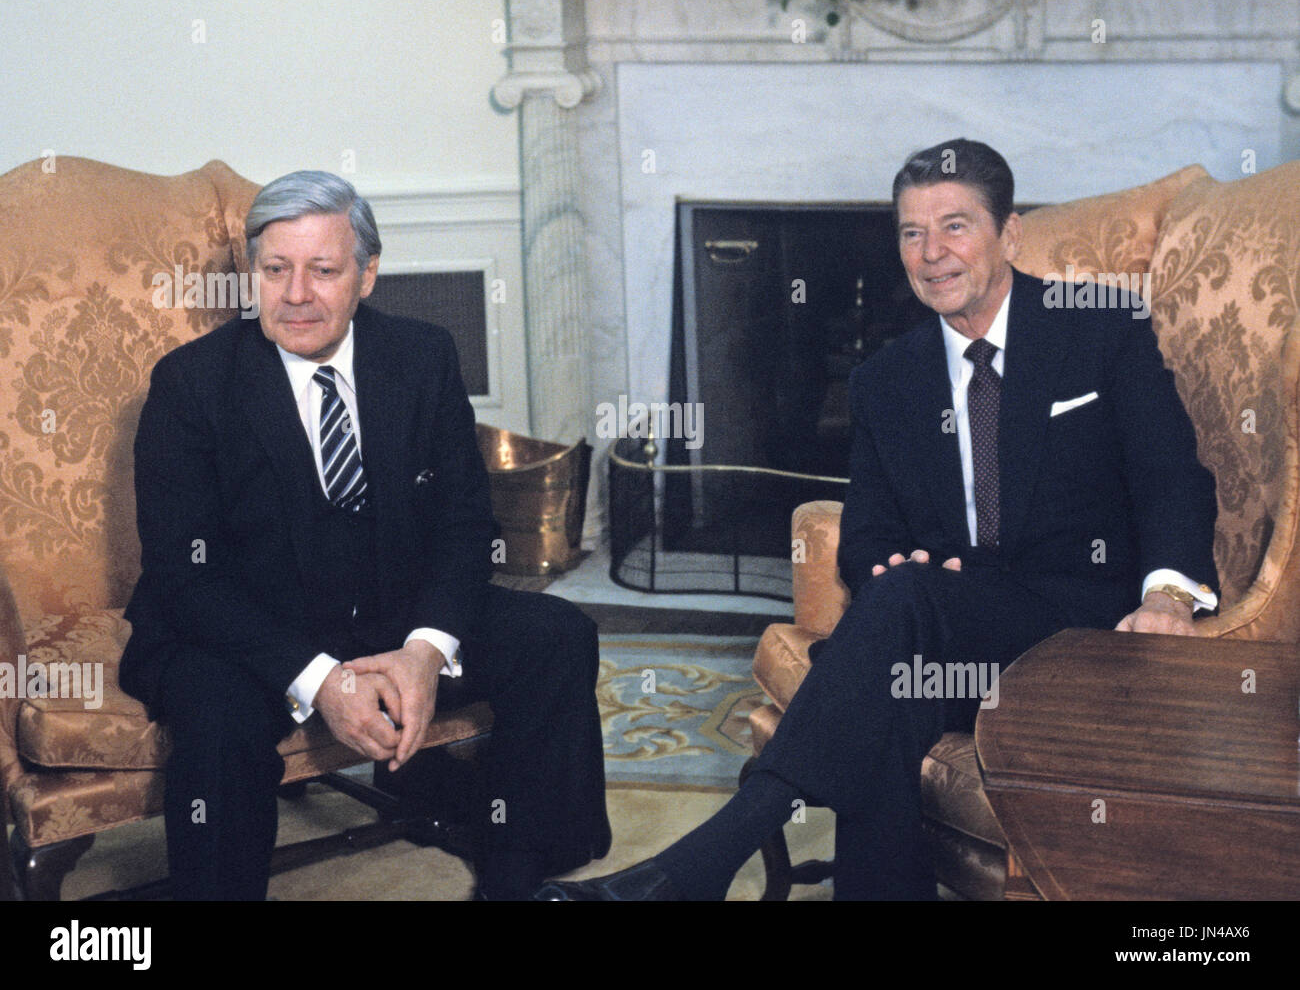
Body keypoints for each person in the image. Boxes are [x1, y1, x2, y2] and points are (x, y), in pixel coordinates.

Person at [537, 138, 1219, 901]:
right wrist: (892, 572)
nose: (931, 254)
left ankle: (696, 864)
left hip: (1081, 635)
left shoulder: (1100, 331)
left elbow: (1174, 476)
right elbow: (866, 533)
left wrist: (1167, 595)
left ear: (1012, 234)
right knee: (890, 680)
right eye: (911, 233)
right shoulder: (886, 380)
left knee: (888, 642)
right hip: (957, 640)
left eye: (955, 226)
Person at [120, 170, 610, 900]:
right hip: (242, 628)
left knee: (557, 634)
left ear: (367, 273)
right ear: (253, 272)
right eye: (276, 269)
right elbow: (185, 576)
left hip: (389, 612)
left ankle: (519, 869)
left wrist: (423, 651)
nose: (295, 294)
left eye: (323, 270)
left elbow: (464, 524)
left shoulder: (421, 356)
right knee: (214, 714)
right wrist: (324, 681)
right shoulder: (190, 384)